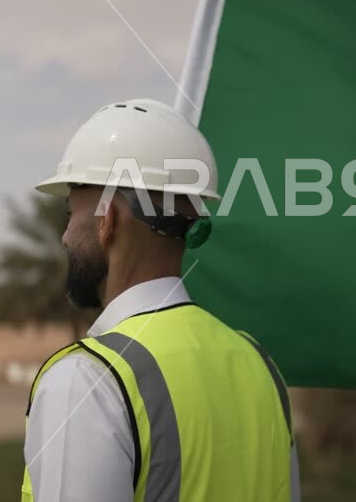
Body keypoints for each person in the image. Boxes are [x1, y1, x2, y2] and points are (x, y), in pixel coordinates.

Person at [20, 98, 300, 501]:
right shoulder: (260, 366)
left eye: (70, 215)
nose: (64, 236)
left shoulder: (85, 382)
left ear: (106, 221)